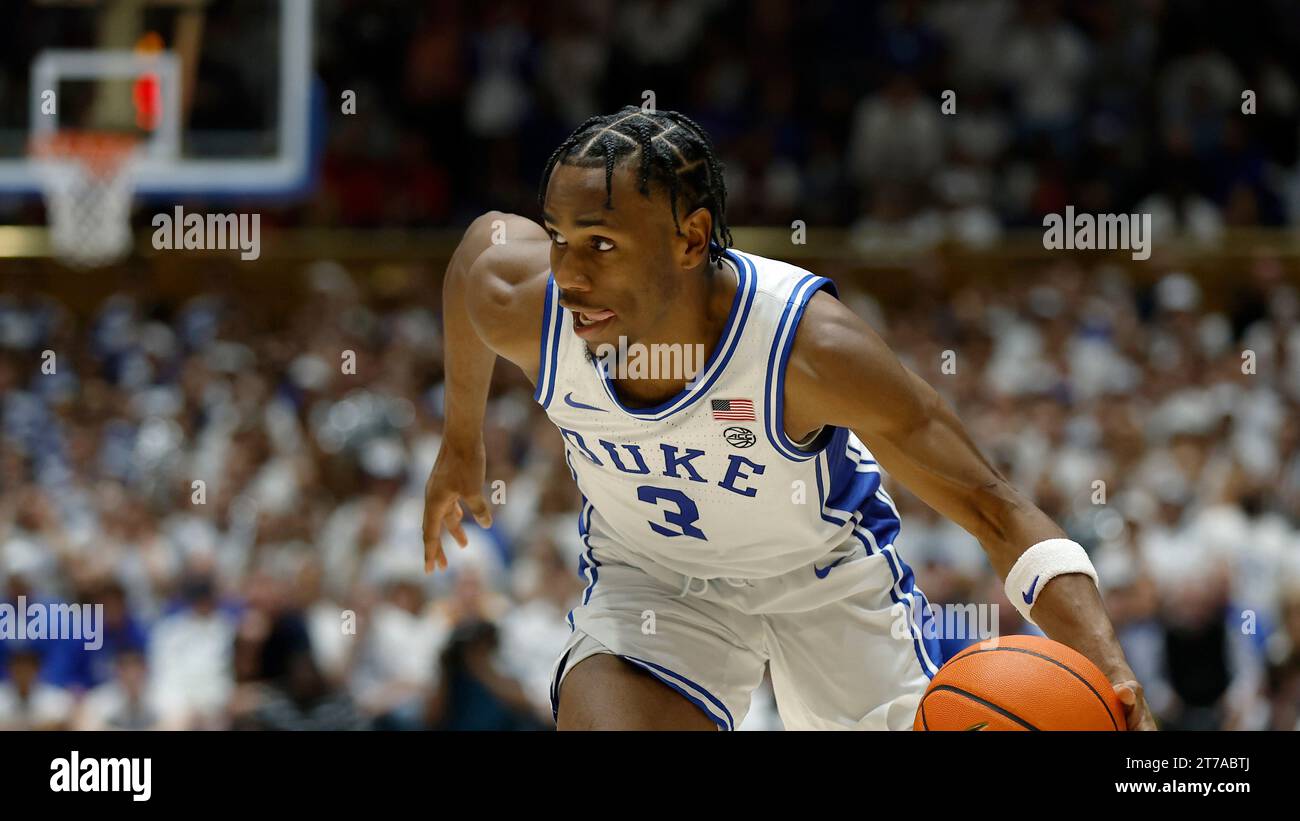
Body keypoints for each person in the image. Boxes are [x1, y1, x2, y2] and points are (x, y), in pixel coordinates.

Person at [422, 106, 1155, 730]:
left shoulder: (809, 349)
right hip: (655, 580)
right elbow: (469, 263)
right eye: (558, 237)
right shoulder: (527, 300)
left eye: (602, 244)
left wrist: (1113, 671)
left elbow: (996, 508)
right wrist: (461, 444)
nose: (571, 276)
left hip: (826, 581)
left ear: (690, 238)